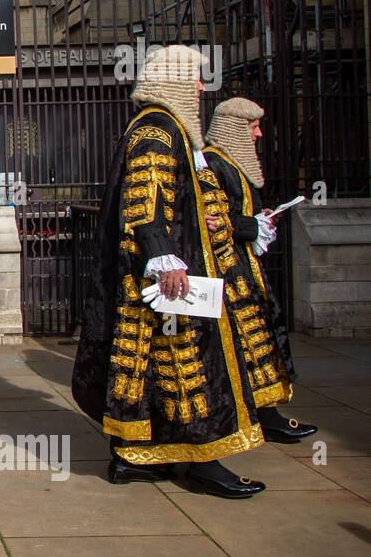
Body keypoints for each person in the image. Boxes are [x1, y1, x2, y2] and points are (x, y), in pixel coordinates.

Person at [72, 45, 272, 499]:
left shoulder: (164, 128)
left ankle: (134, 457)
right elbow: (145, 202)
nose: (202, 87)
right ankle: (203, 459)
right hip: (165, 278)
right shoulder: (158, 130)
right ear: (176, 81)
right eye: (196, 79)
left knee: (144, 371)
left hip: (155, 273)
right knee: (191, 367)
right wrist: (164, 259)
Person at [204, 97, 316, 444]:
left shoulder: (232, 164)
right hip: (226, 270)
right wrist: (252, 226)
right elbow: (213, 220)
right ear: (236, 126)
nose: (259, 134)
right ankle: (256, 415)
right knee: (244, 342)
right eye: (253, 126)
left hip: (244, 265)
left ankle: (267, 412)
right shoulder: (212, 164)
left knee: (259, 339)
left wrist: (260, 219)